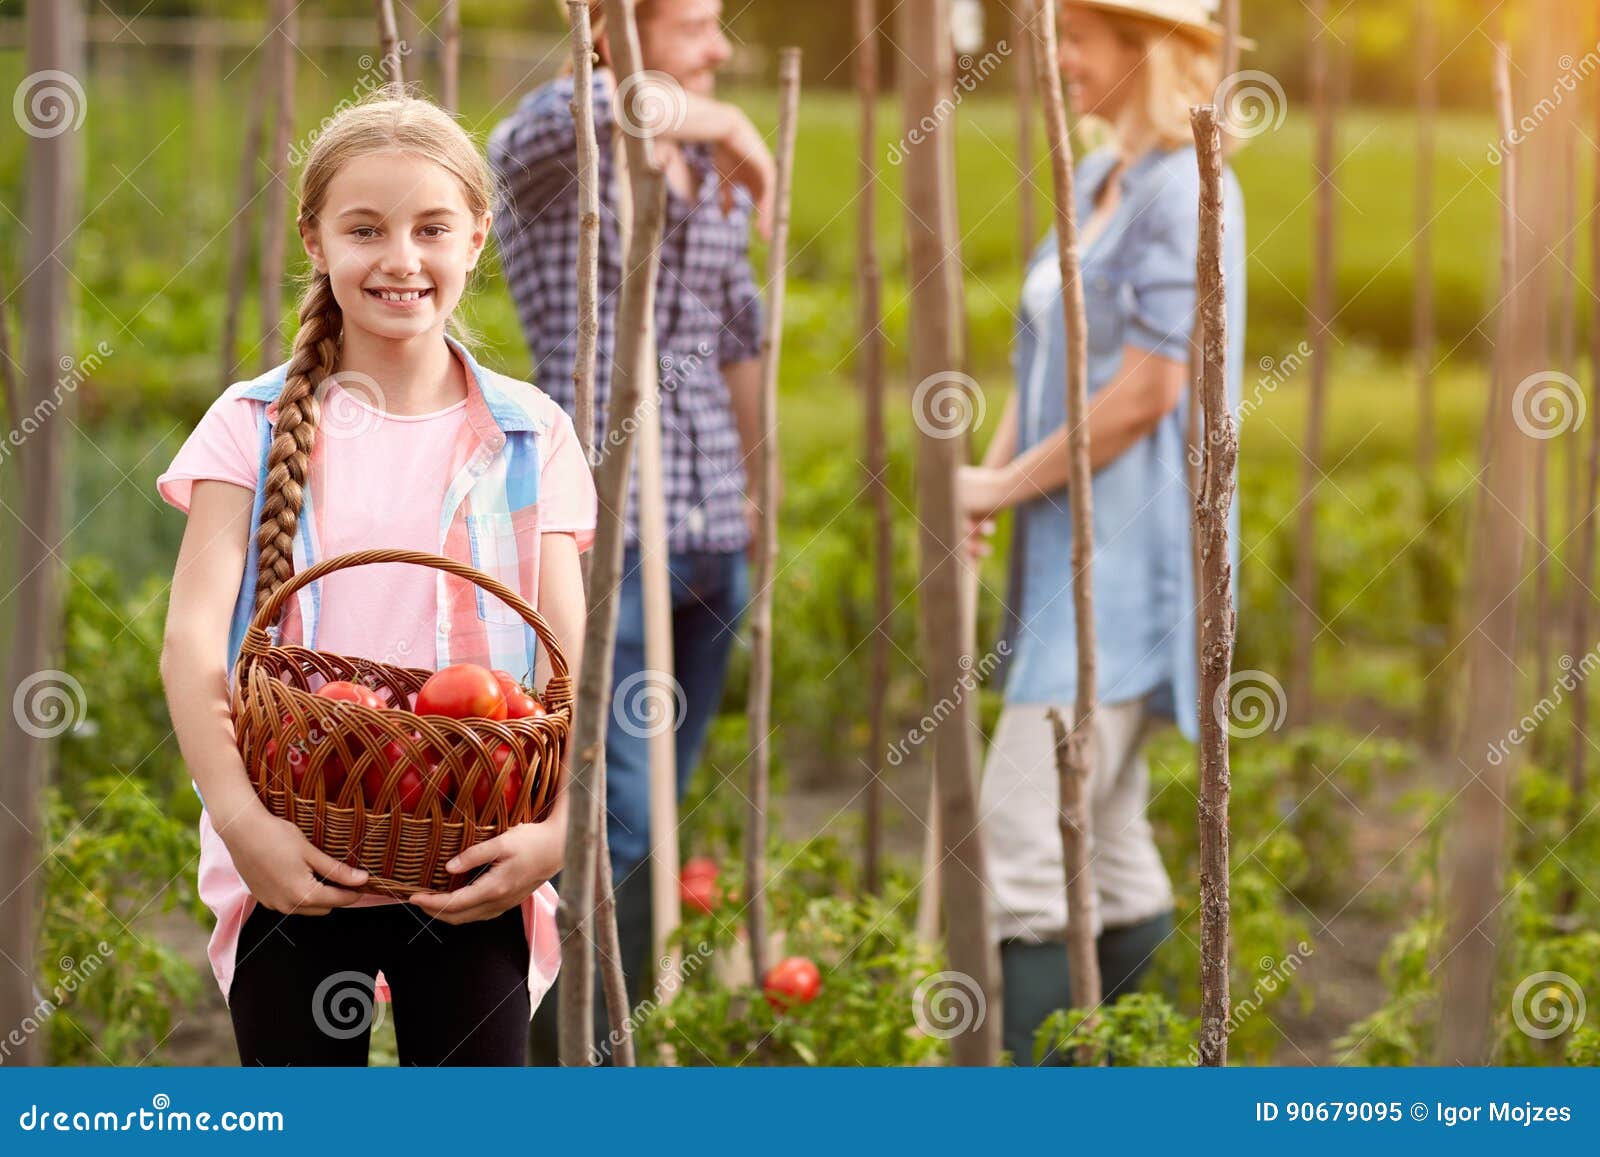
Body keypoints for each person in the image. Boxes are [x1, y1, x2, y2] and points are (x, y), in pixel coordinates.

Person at [158, 95, 597, 1066]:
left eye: (432, 227)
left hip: (476, 850)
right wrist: (242, 822)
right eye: (365, 229)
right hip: (294, 843)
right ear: (315, 239)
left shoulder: (530, 433)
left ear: (476, 237)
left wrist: (557, 832)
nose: (401, 258)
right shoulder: (251, 423)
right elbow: (192, 641)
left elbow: (575, 661)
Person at [957, 0, 1248, 1065]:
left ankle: (1052, 1093)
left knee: (1021, 833)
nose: (1056, 58)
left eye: (1077, 38)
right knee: (1111, 838)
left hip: (1129, 562)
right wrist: (994, 478)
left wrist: (1001, 486)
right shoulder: (1093, 183)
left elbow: (1144, 390)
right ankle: (1131, 1077)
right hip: (1065, 555)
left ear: (1143, 50)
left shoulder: (1188, 189)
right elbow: (1046, 355)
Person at [488, 0, 772, 1064]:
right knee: (612, 815)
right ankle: (588, 1046)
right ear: (615, 30)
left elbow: (738, 328)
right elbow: (559, 115)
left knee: (653, 807)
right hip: (610, 529)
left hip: (709, 525)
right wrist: (729, 124)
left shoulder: (705, 172)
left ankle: (614, 1027)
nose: (722, 49)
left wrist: (759, 485)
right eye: (696, 25)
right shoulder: (566, 152)